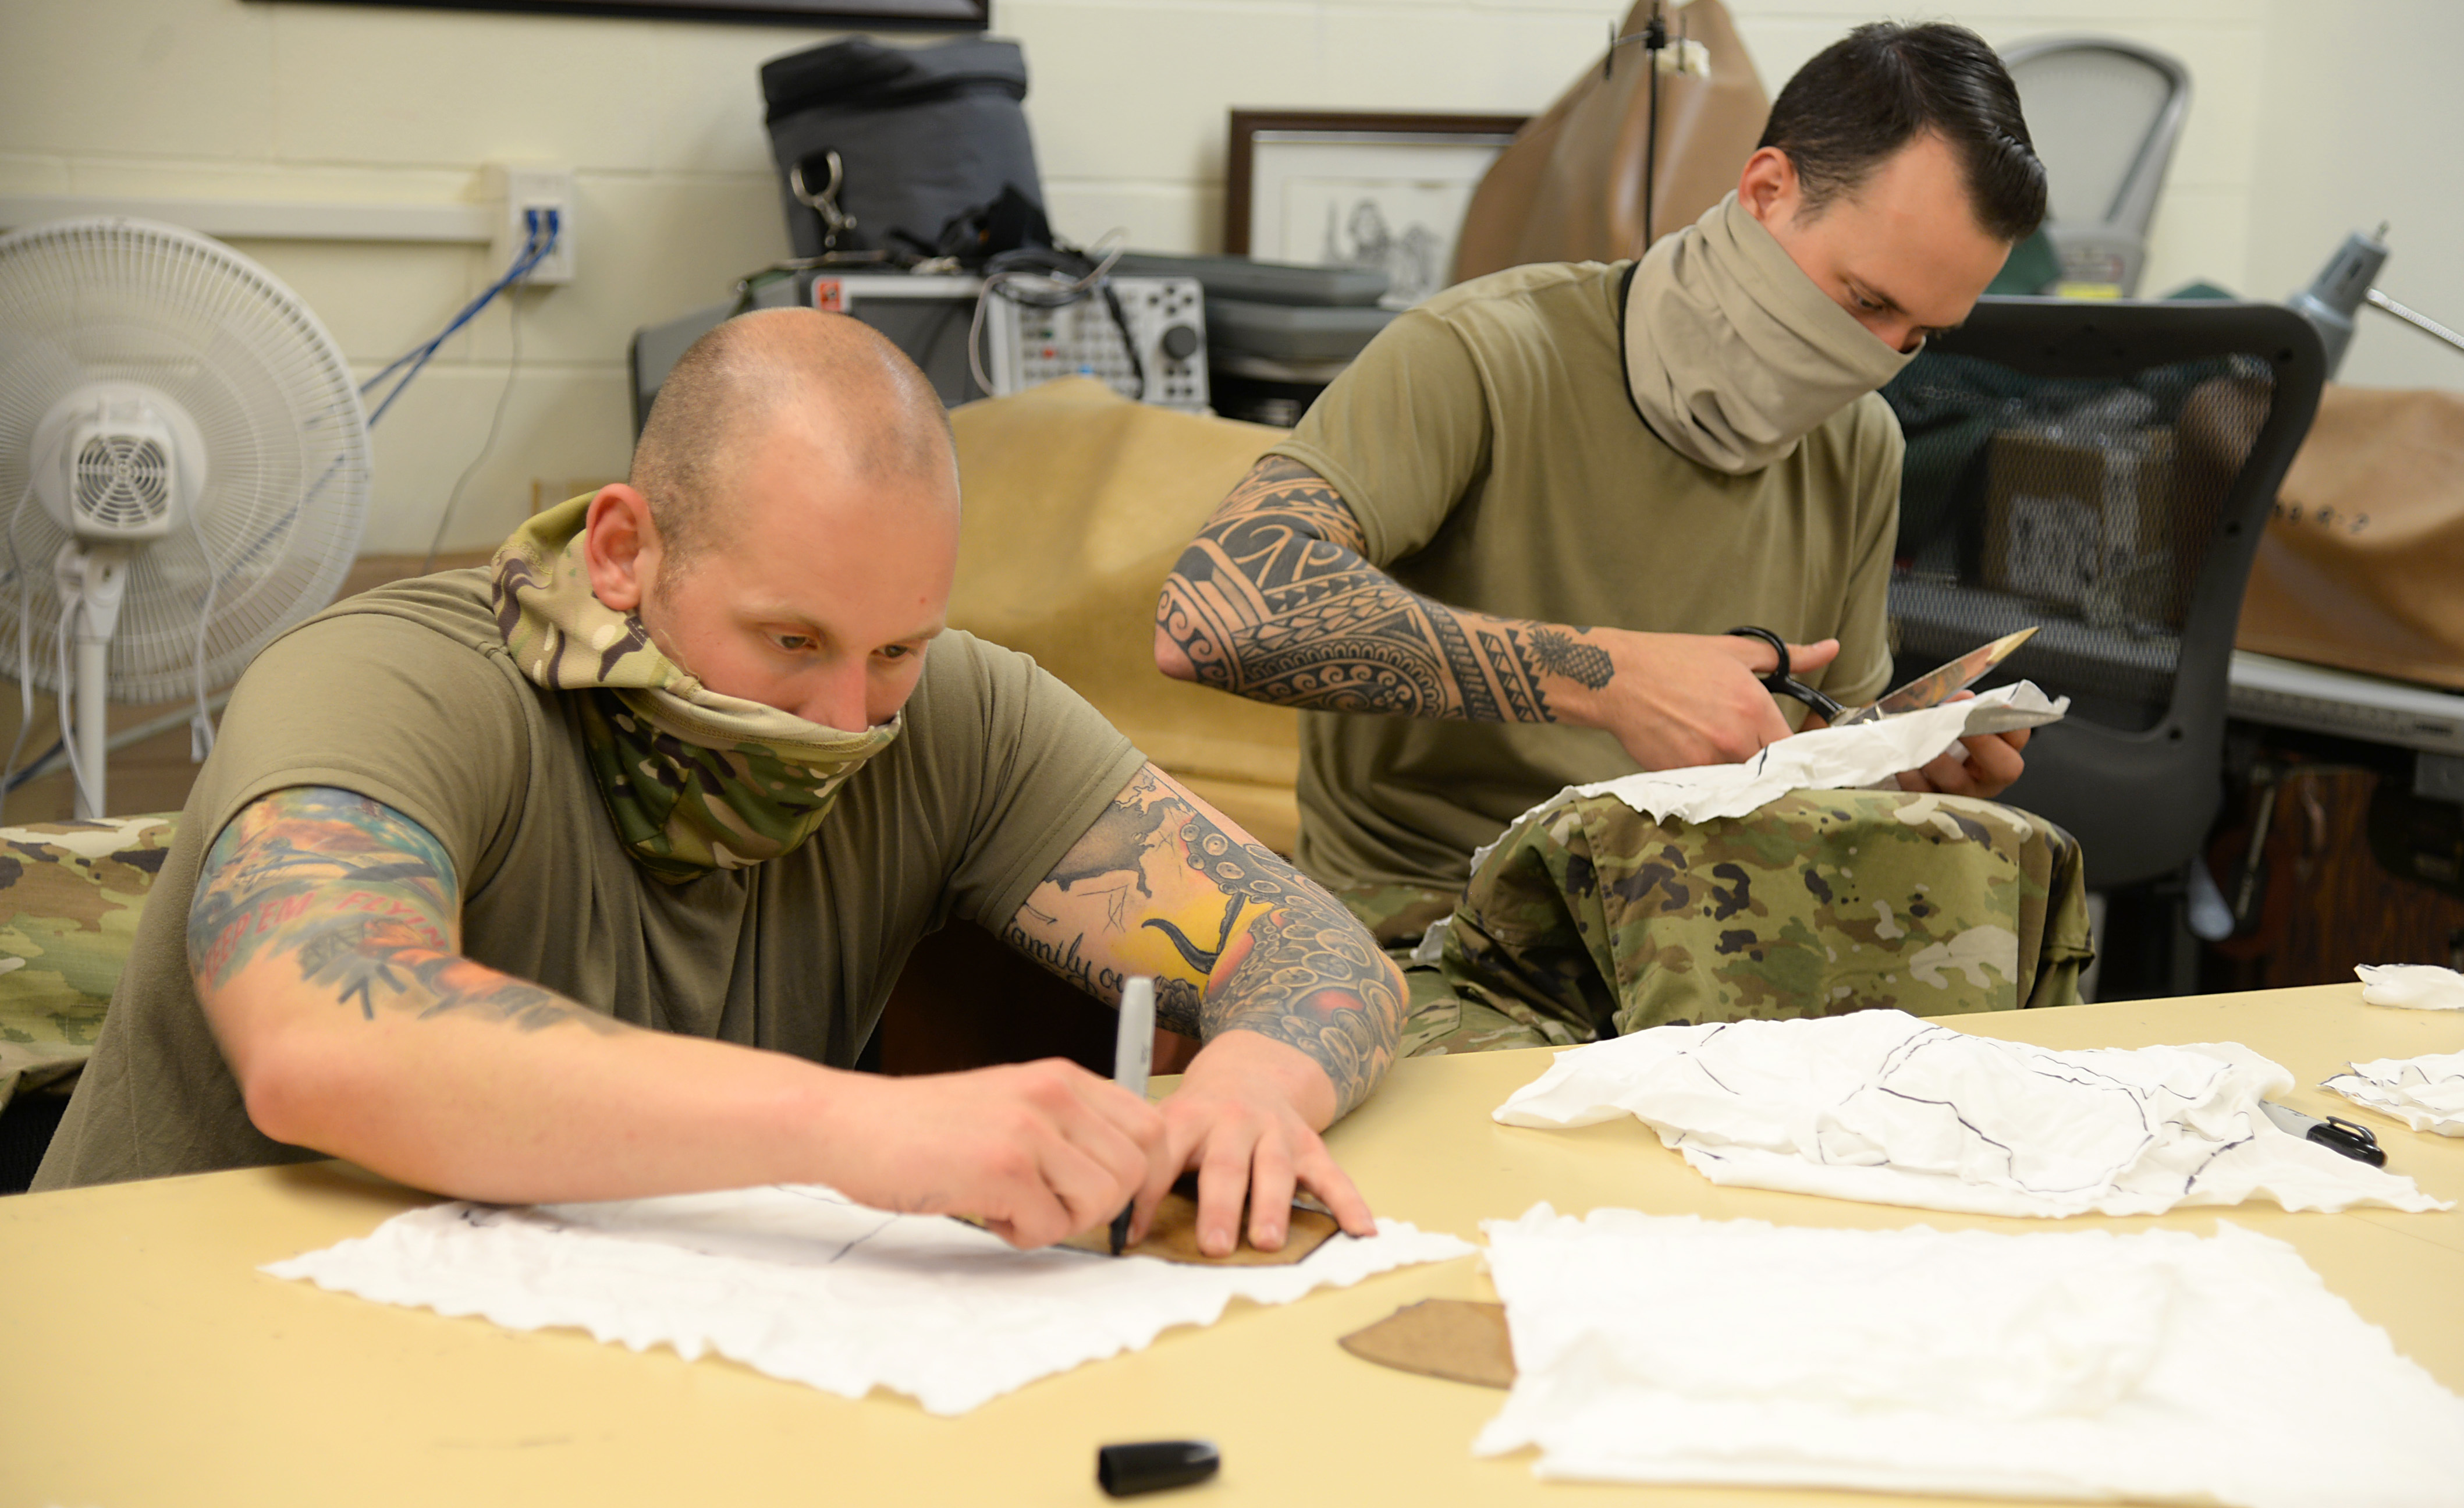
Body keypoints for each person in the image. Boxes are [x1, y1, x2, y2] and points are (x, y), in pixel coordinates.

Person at [35, 308, 1404, 1261]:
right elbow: (327, 1043)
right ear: (625, 552)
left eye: (895, 650)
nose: (842, 717)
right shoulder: (390, 680)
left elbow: (1311, 946)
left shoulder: (956, 714)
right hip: (183, 1345)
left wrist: (1243, 1094)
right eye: (790, 641)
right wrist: (862, 1130)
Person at [1155, 21, 2051, 951]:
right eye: (1864, 300)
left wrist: (1904, 768)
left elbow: (1817, 772)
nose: (1872, 359)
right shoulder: (1483, 357)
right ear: (1767, 191)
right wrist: (1600, 678)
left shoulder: (1859, 440)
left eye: (1916, 335)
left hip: (1714, 927)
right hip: (1450, 927)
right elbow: (1211, 614)